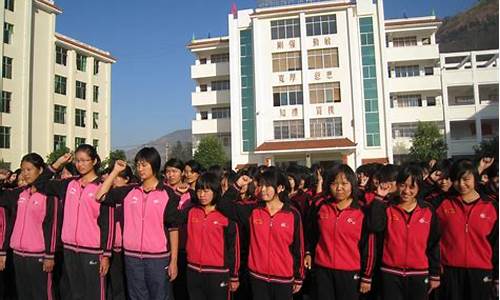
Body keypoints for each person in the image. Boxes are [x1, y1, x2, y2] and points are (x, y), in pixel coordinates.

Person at [96, 148, 179, 300]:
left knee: (160, 296)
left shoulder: (167, 194)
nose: (140, 169)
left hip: (158, 258)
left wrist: (174, 261)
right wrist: (115, 171)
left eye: (144, 165)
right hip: (132, 258)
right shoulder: (129, 191)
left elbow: (173, 228)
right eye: (137, 165)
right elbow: (100, 196)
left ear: (154, 165)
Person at [34, 144, 113, 300]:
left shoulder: (102, 187)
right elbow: (39, 184)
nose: (80, 164)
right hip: (69, 249)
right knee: (75, 294)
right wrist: (58, 164)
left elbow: (108, 223)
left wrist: (106, 254)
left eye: (84, 160)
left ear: (95, 161)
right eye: (77, 160)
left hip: (93, 251)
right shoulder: (69, 184)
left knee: (95, 295)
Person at [217, 168, 304, 300]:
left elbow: (298, 247)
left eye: (268, 186)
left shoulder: (292, 214)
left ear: (280, 188)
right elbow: (223, 205)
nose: (263, 189)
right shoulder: (253, 210)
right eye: (261, 185)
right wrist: (237, 185)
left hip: (283, 278)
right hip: (257, 277)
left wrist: (299, 276)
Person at [369, 164, 440, 300]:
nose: (406, 191)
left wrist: (434, 273)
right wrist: (379, 198)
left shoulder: (428, 210)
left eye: (412, 187)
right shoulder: (387, 207)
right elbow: (374, 226)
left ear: (419, 188)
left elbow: (434, 244)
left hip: (419, 273)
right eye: (403, 185)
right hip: (390, 272)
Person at [305, 164, 375, 300]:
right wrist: (308, 252)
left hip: (350, 271)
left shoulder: (362, 209)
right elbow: (311, 232)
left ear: (352, 184)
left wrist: (367, 276)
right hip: (322, 269)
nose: (339, 188)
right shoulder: (321, 205)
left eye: (344, 183)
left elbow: (369, 245)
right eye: (334, 183)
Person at [435, 159, 498, 300]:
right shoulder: (442, 204)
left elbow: (497, 244)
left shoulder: (492, 206)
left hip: (481, 272)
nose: (462, 184)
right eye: (456, 180)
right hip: (450, 271)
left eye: (466, 179)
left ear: (476, 178)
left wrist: (498, 275)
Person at [172, 172, 240, 299]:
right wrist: (177, 195)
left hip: (218, 273)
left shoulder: (226, 216)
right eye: (199, 191)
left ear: (215, 191)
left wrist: (234, 275)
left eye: (206, 191)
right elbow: (171, 218)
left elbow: (233, 248)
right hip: (193, 272)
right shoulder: (191, 211)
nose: (202, 195)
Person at [0, 153, 58, 300]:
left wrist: (50, 255)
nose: (24, 174)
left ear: (40, 170)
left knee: (42, 295)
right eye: (22, 170)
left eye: (29, 169)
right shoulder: (20, 193)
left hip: (39, 256)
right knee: (23, 295)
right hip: (18, 255)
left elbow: (52, 225)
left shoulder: (50, 196)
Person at [108, 164, 134, 300]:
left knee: (128, 285)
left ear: (127, 179)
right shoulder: (107, 196)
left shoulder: (131, 195)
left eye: (118, 176)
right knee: (115, 285)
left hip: (127, 249)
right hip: (111, 248)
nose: (114, 179)